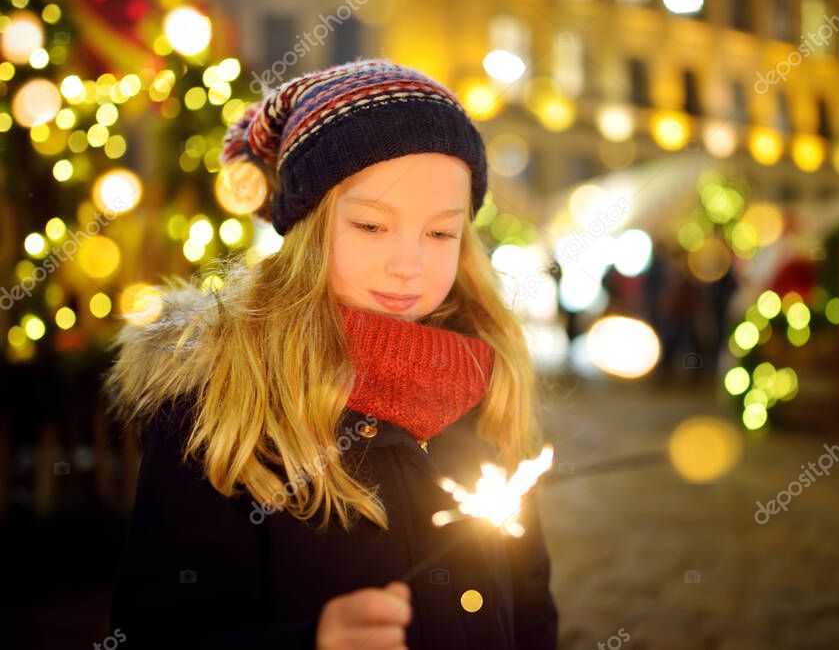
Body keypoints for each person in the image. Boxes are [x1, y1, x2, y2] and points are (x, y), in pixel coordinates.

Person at [103, 59, 558, 650]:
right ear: (311, 224)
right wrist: (309, 642)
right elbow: (152, 631)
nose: (408, 264)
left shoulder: (486, 381)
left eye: (440, 232)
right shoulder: (224, 396)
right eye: (372, 226)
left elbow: (528, 601)